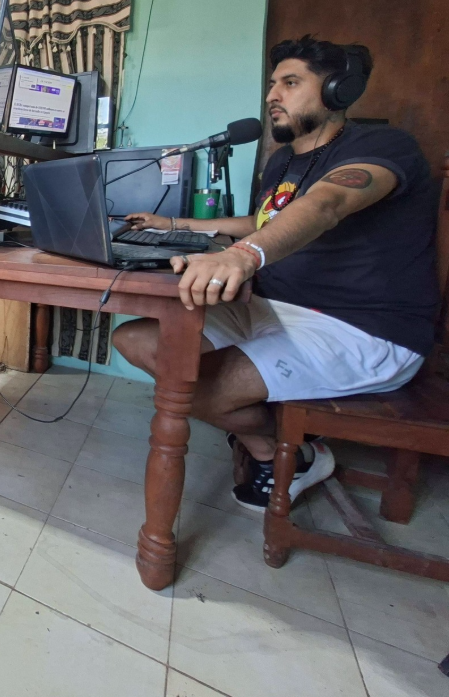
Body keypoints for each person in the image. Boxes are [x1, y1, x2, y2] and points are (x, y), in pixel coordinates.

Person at [113, 36, 439, 512]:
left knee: (196, 389)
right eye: (271, 85)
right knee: (135, 340)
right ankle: (268, 436)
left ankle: (290, 453)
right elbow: (264, 222)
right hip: (273, 307)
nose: (272, 96)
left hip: (361, 328)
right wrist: (175, 224)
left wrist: (242, 256)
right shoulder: (283, 161)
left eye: (290, 83)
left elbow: (327, 204)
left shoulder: (383, 147)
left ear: (337, 91)